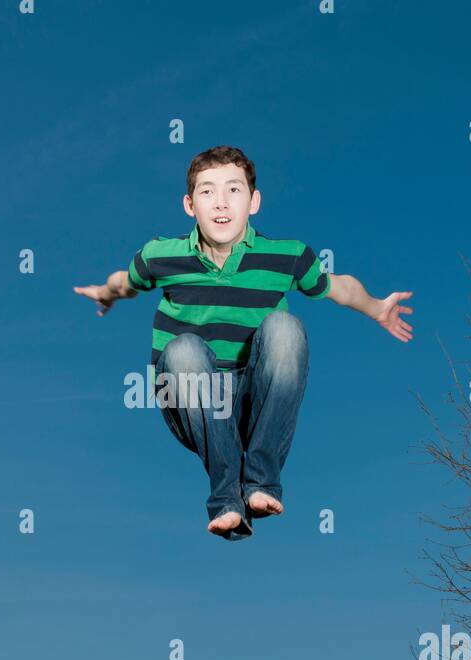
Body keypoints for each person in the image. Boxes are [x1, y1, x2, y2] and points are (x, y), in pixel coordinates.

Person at [74, 145, 414, 540]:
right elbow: (125, 282)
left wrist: (376, 309)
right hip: (190, 396)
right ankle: (226, 498)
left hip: (255, 398)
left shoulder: (286, 257)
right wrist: (106, 292)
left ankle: (260, 483)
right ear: (189, 205)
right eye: (207, 192)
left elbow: (339, 288)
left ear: (254, 202)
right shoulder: (160, 256)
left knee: (285, 328)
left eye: (233, 191)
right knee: (184, 350)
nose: (220, 203)